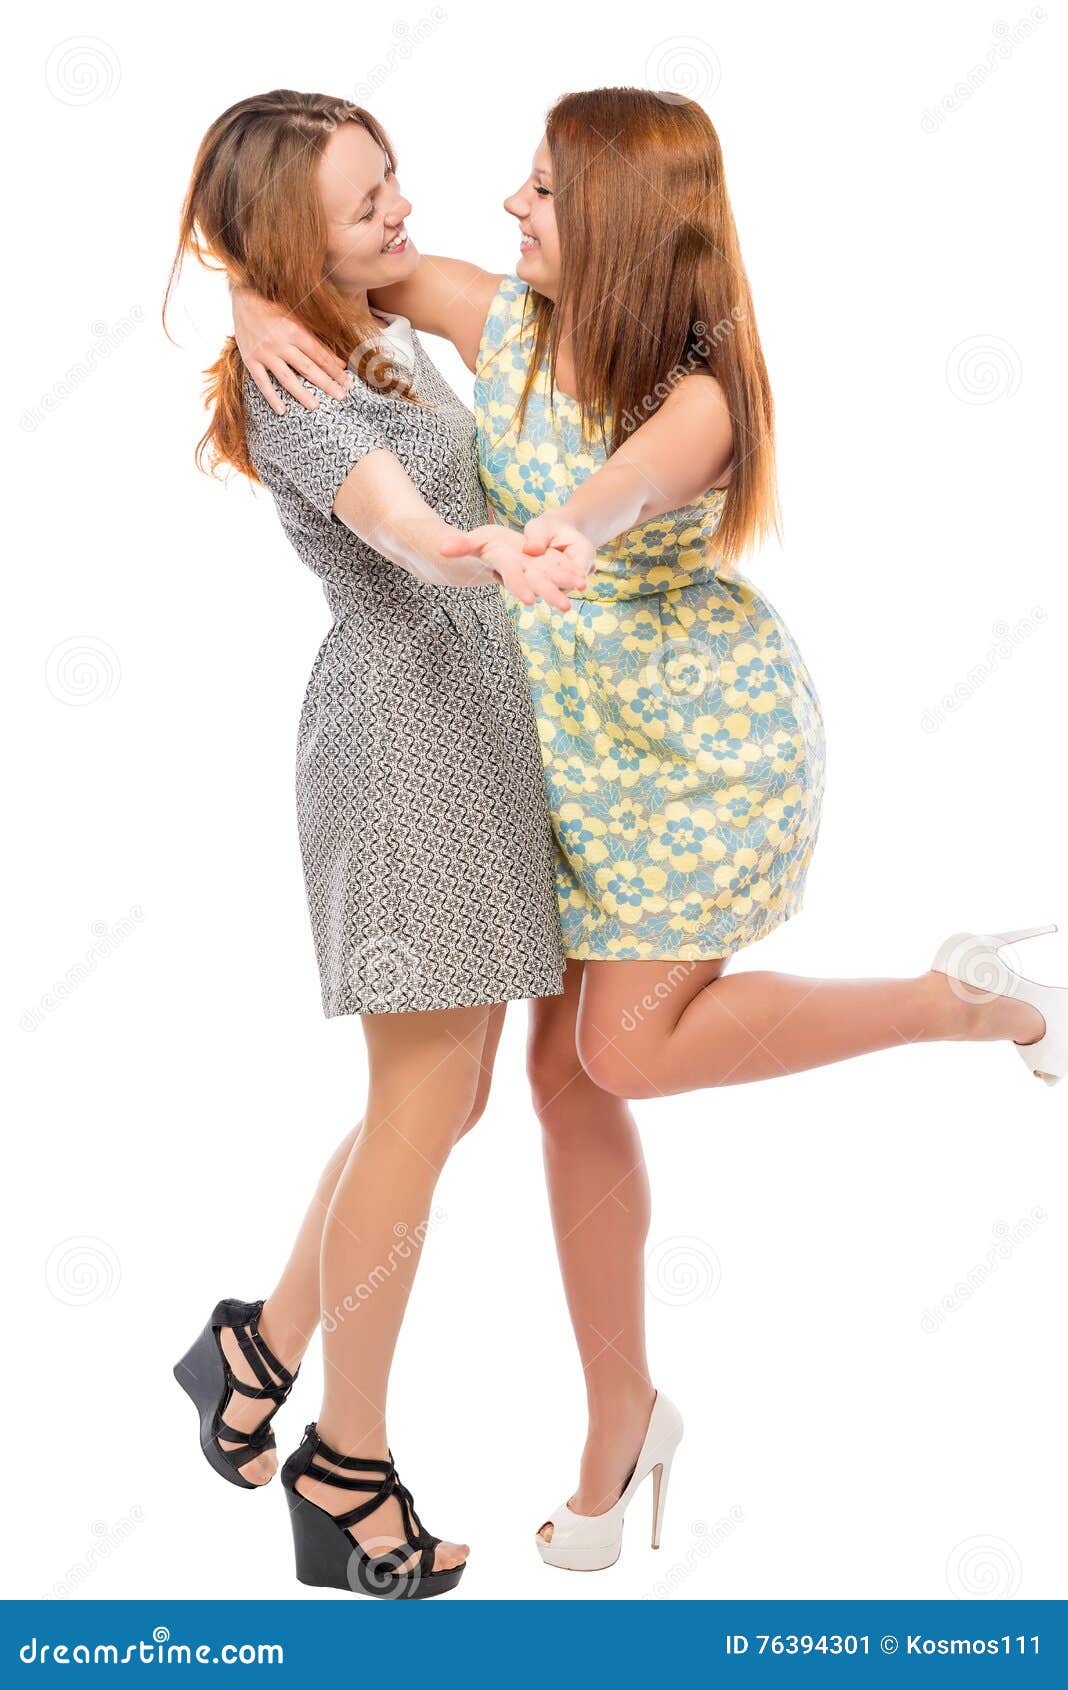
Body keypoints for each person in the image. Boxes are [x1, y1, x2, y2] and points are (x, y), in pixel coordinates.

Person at [232, 85, 1064, 1576]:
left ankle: (963, 999)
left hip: (699, 759)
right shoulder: (505, 323)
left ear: (611, 228)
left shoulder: (701, 395)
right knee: (561, 1084)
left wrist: (569, 528)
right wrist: (244, 301)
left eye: (542, 191)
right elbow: (323, 260)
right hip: (561, 758)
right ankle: (622, 1417)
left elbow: (631, 482)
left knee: (612, 1051)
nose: (506, 208)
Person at [167, 89, 584, 1599]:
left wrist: (271, 272)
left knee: (439, 1097)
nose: (401, 210)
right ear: (297, 238)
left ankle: (255, 1347)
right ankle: (346, 1467)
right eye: (365, 203)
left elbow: (427, 300)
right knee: (419, 1105)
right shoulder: (298, 387)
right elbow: (400, 518)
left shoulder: (336, 317)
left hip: (462, 727)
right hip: (402, 745)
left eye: (390, 176)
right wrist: (484, 548)